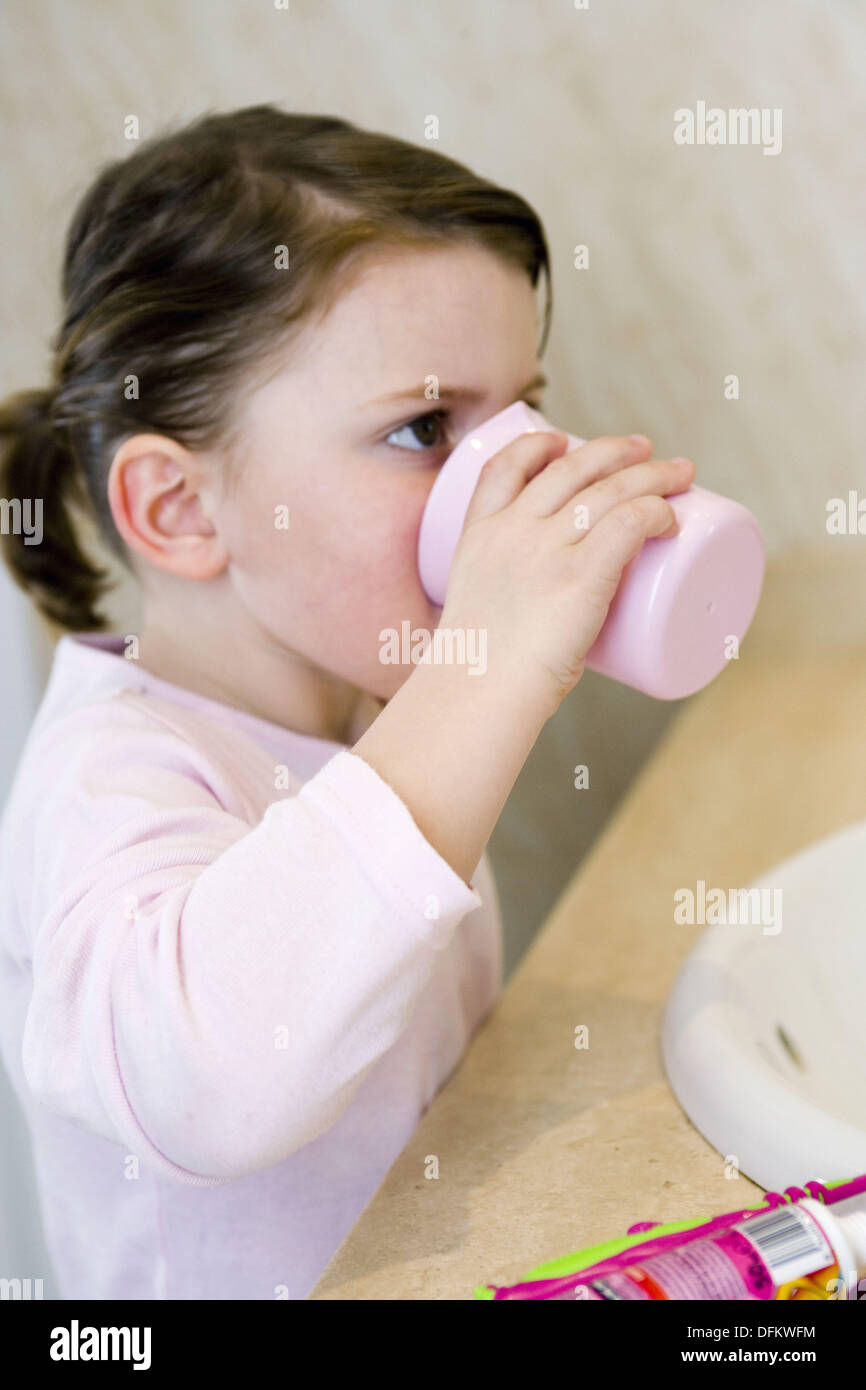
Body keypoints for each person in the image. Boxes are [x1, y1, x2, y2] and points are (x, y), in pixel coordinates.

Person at [0, 105, 693, 1300]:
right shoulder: (107, 779)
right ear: (182, 510)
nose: (509, 478)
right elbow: (210, 1081)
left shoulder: (378, 709)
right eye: (427, 429)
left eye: (519, 410)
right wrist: (483, 670)